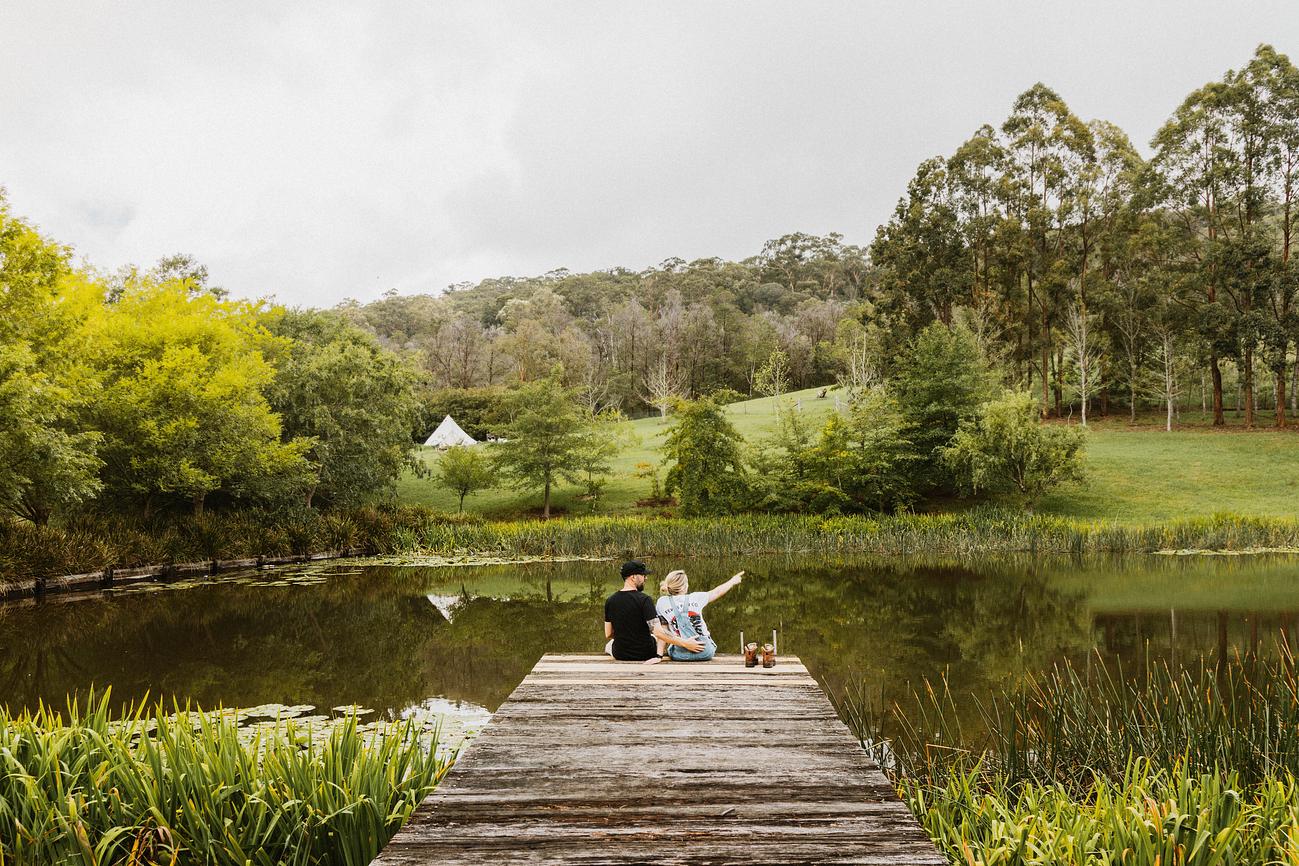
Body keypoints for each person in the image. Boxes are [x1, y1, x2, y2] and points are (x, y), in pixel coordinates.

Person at [604, 561, 703, 664]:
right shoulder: (645, 600)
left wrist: (627, 636)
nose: (646, 578)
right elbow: (658, 632)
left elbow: (608, 633)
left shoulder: (610, 600)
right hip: (646, 653)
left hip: (620, 654)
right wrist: (685, 643)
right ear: (633, 577)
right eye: (643, 575)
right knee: (657, 637)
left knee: (609, 645)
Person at [655, 569, 744, 661]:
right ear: (684, 587)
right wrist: (732, 581)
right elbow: (717, 592)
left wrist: (659, 656)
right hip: (705, 652)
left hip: (679, 654)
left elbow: (664, 632)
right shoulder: (696, 597)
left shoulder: (662, 603)